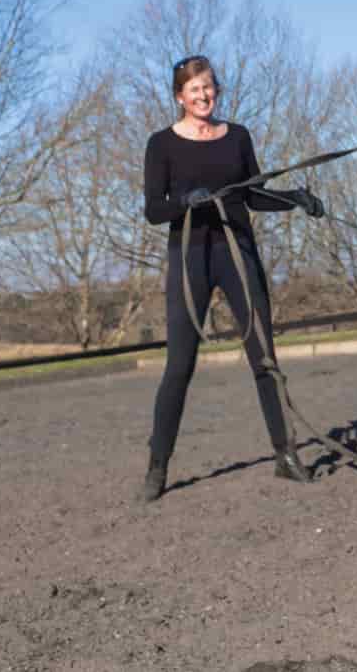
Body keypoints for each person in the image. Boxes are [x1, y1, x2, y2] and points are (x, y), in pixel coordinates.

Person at [138, 54, 326, 503]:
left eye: (208, 86)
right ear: (179, 97)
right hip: (190, 259)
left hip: (237, 254)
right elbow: (153, 210)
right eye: (194, 89)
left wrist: (294, 199)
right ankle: (157, 466)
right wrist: (185, 200)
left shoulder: (237, 136)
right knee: (179, 366)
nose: (203, 95)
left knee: (264, 358)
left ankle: (285, 455)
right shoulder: (161, 144)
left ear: (216, 89)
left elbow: (253, 195)